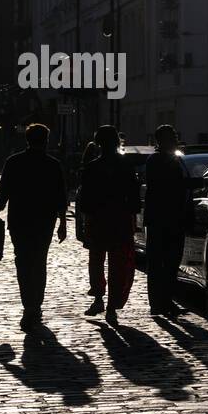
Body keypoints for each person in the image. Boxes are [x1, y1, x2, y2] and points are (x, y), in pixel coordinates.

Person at [0, 124, 68, 331]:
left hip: (20, 221)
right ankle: (36, 305)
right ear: (46, 140)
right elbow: (61, 197)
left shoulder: (14, 162)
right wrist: (62, 223)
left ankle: (28, 306)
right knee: (39, 262)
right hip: (44, 222)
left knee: (23, 263)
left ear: (27, 139)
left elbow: (2, 193)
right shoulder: (53, 164)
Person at [77, 126, 140, 324]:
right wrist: (133, 215)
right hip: (119, 218)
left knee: (96, 260)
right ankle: (112, 304)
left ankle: (99, 297)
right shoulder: (126, 166)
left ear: (98, 143)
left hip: (98, 218)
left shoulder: (91, 167)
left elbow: (84, 198)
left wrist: (85, 222)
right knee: (118, 263)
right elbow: (134, 196)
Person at [144, 125, 193, 317]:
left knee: (171, 262)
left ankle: (166, 301)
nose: (175, 139)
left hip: (173, 218)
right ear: (162, 140)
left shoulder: (174, 159)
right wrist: (199, 182)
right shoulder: (157, 160)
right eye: (172, 137)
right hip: (161, 218)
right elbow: (170, 186)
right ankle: (158, 303)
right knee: (159, 263)